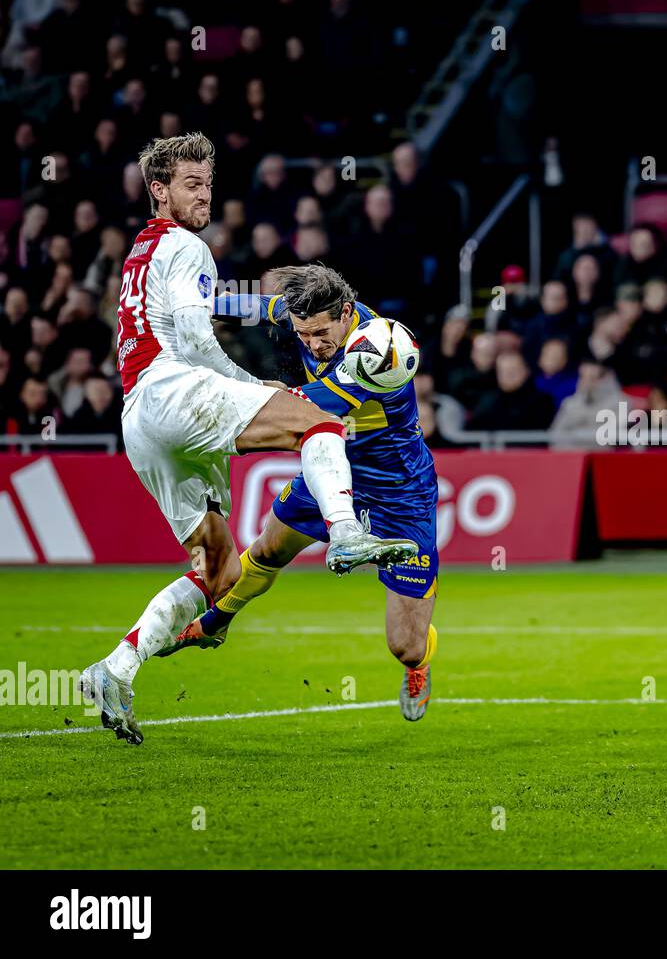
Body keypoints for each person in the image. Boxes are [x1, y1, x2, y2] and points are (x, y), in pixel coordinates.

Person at [79, 134, 416, 746]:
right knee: (315, 421)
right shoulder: (185, 244)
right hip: (175, 390)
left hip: (139, 419)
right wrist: (244, 379)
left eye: (207, 183)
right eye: (190, 185)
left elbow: (196, 316)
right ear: (159, 190)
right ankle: (345, 535)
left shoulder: (141, 252)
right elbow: (194, 332)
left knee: (218, 569)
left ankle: (115, 670)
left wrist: (260, 323)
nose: (204, 195)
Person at [173, 265, 442, 722]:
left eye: (320, 334)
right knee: (268, 548)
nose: (313, 344)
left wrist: (252, 394)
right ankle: (216, 624)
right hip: (333, 470)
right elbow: (256, 307)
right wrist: (199, 307)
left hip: (398, 490)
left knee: (405, 645)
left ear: (344, 313)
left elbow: (309, 407)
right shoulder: (306, 312)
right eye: (303, 334)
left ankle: (420, 666)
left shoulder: (377, 352)